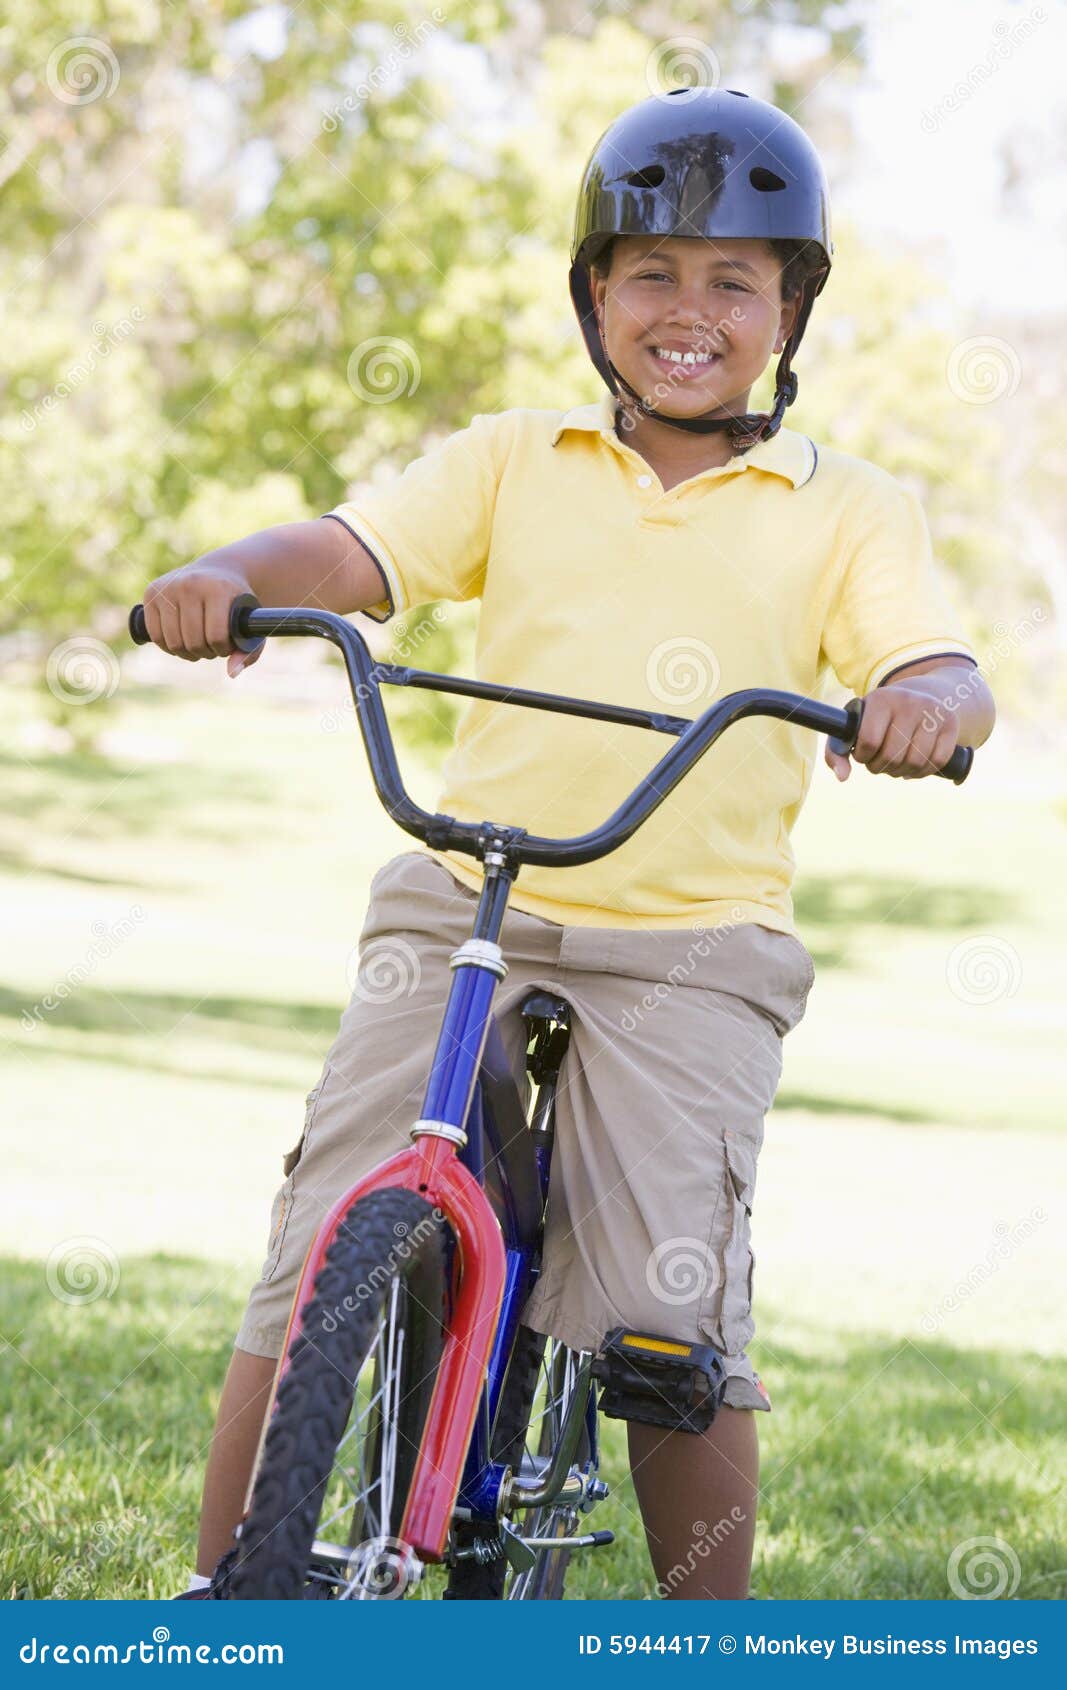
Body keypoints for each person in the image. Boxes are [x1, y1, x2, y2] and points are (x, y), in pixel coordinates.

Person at [142, 88, 995, 1599]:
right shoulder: (513, 457)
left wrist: (929, 700)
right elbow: (349, 558)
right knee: (328, 1214)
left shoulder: (847, 508)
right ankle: (231, 1591)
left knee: (672, 1312)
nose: (690, 310)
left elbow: (929, 661)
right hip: (473, 889)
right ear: (593, 293)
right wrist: (225, 572)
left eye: (736, 279)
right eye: (652, 272)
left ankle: (699, 1630)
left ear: (793, 310)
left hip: (693, 944)